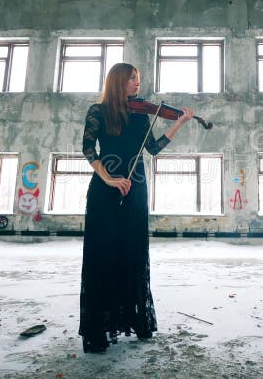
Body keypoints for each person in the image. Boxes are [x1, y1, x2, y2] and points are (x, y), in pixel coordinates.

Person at [79, 62, 195, 353]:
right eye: (132, 79)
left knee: (133, 252)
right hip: (105, 189)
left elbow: (153, 149)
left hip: (136, 188)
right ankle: (99, 329)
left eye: (138, 79)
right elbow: (89, 150)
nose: (137, 84)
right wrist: (109, 179)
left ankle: (134, 321)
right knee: (102, 256)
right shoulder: (97, 111)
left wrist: (178, 123)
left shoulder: (142, 113)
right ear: (118, 81)